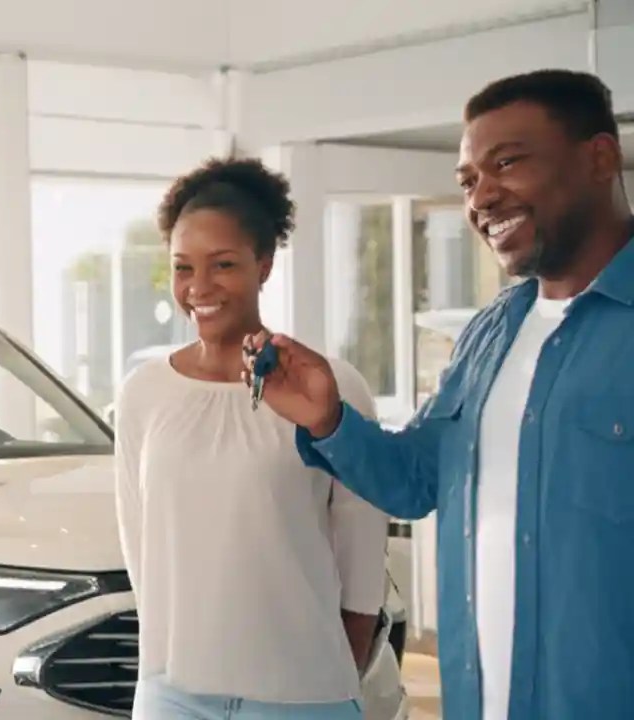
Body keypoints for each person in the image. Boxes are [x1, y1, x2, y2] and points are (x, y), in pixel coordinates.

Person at [246, 69, 634, 719]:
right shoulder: (490, 333)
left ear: (599, 158)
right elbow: (416, 481)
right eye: (467, 181)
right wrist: (327, 416)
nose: (481, 197)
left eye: (506, 163)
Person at [115, 158, 389, 720]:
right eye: (183, 267)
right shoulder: (144, 392)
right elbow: (140, 550)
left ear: (263, 266)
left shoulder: (330, 386)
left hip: (305, 694)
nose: (199, 287)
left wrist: (332, 679)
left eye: (224, 265)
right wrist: (159, 670)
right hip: (172, 695)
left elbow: (362, 564)